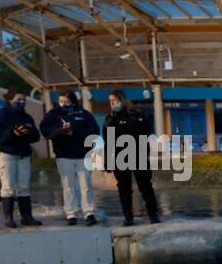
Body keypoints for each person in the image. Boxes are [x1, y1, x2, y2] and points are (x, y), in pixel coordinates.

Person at [40, 90, 101, 225]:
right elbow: (44, 129)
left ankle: (89, 213)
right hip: (64, 155)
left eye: (67, 102)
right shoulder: (53, 114)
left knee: (85, 186)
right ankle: (71, 213)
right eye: (61, 101)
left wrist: (75, 131)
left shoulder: (84, 114)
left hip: (83, 155)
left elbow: (94, 132)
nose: (64, 104)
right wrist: (60, 129)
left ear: (73, 101)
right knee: (68, 186)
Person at [102, 90, 160, 226]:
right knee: (124, 188)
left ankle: (153, 214)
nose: (112, 104)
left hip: (137, 154)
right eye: (110, 101)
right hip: (119, 157)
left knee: (145, 186)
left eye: (114, 101)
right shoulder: (110, 119)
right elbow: (108, 141)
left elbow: (146, 130)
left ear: (122, 100)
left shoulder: (136, 115)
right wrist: (108, 161)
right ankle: (128, 217)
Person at [0, 89, 42, 227]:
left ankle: (27, 217)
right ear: (9, 100)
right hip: (5, 153)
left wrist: (28, 132)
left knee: (24, 187)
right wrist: (13, 133)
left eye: (24, 100)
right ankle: (9, 218)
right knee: (8, 187)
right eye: (18, 99)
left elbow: (35, 137)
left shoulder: (27, 117)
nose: (22, 102)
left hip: (23, 154)